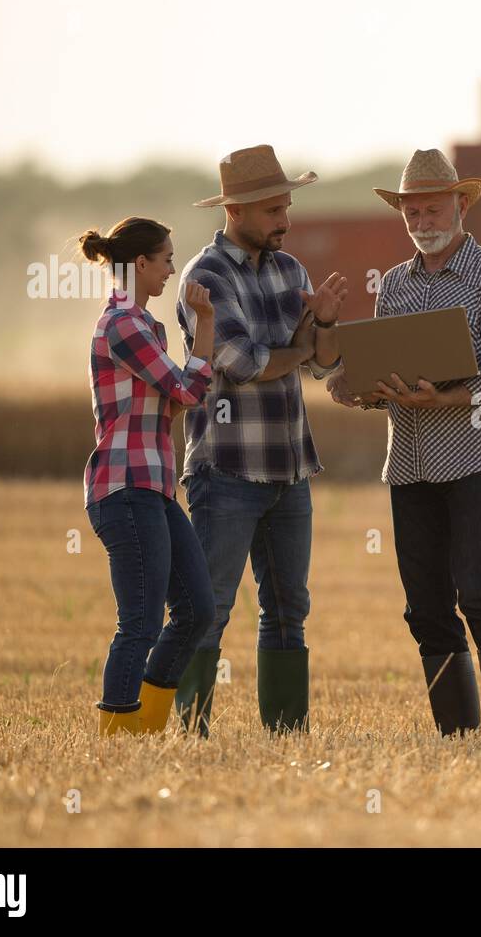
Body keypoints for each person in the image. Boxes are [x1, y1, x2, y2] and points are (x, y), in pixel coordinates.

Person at [328, 149, 481, 737]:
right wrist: (359, 389)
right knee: (425, 607)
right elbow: (386, 372)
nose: (421, 221)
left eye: (432, 208)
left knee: (480, 590)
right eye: (411, 211)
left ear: (461, 205)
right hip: (409, 468)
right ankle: (458, 737)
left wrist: (439, 399)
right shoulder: (392, 283)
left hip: (474, 461)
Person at [172, 145, 345, 736]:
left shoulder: (291, 271)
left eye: (286, 206)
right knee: (210, 607)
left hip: (290, 466)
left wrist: (320, 323)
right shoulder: (205, 278)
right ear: (237, 211)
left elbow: (321, 364)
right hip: (226, 470)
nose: (285, 219)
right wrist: (300, 351)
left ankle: (286, 733)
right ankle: (192, 731)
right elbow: (243, 362)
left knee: (289, 609)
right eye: (273, 209)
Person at [80, 217, 217, 736]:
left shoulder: (144, 326)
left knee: (196, 609)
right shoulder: (124, 326)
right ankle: (117, 736)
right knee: (139, 622)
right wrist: (205, 321)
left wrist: (187, 380)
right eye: (166, 259)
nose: (172, 269)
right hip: (124, 487)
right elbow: (187, 392)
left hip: (154, 487)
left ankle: (144, 726)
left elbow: (171, 404)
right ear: (139, 264)